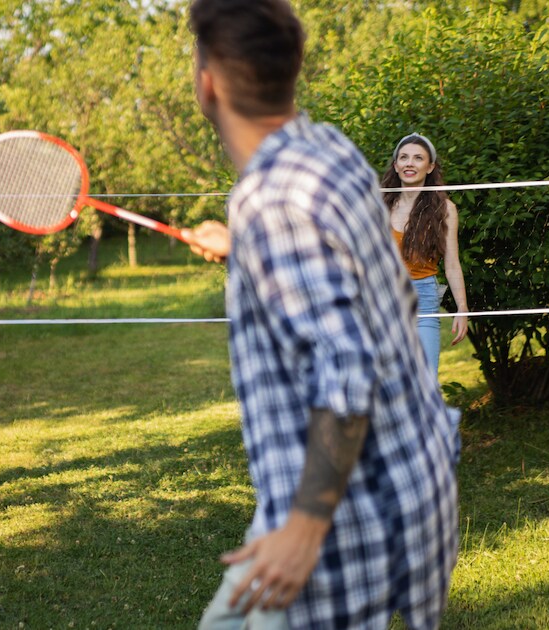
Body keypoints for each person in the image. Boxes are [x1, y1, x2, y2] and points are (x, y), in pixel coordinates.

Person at [181, 0, 461, 627]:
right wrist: (243, 249)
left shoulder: (272, 200)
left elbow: (347, 366)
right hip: (417, 477)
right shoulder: (327, 148)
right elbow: (364, 278)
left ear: (208, 84)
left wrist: (305, 529)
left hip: (345, 518)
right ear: (294, 66)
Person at [382, 133, 470, 376]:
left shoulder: (445, 210)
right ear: (396, 165)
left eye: (418, 158)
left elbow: (451, 264)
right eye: (404, 157)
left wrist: (461, 307)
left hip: (423, 299)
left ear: (430, 167)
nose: (410, 163)